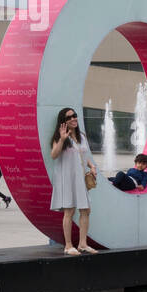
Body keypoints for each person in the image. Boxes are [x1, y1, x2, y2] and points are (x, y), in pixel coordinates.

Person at [49, 106, 97, 254]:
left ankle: (83, 243)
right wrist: (62, 139)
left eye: (74, 116)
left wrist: (92, 166)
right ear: (63, 122)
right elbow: (54, 155)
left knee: (86, 210)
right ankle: (68, 245)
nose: (73, 119)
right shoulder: (60, 136)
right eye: (68, 117)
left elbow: (85, 155)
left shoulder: (82, 136)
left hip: (80, 179)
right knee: (69, 210)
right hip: (67, 178)